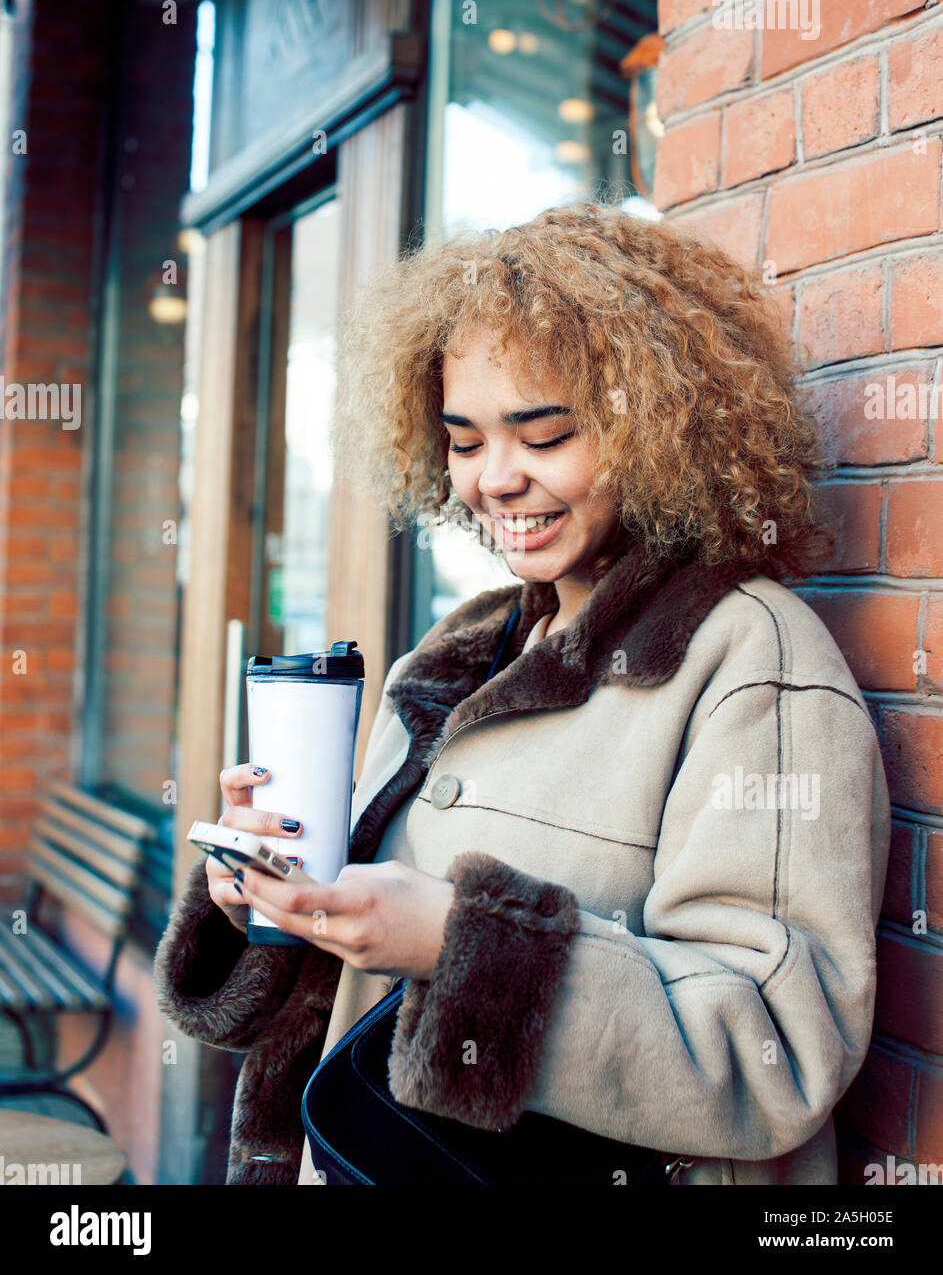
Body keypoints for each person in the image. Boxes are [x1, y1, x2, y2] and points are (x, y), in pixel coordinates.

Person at [153, 201, 891, 1186]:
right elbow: (351, 982)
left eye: (542, 435)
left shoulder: (746, 656)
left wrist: (465, 947)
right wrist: (269, 891)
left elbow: (776, 1048)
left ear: (660, 429)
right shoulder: (464, 645)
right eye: (463, 440)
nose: (495, 478)